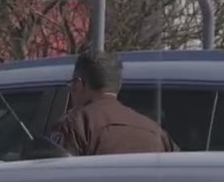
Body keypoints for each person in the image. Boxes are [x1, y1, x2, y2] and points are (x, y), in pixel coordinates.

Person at [47, 49, 180, 155]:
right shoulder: (156, 133)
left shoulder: (74, 126)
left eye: (72, 85)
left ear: (79, 85)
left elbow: (53, 180)